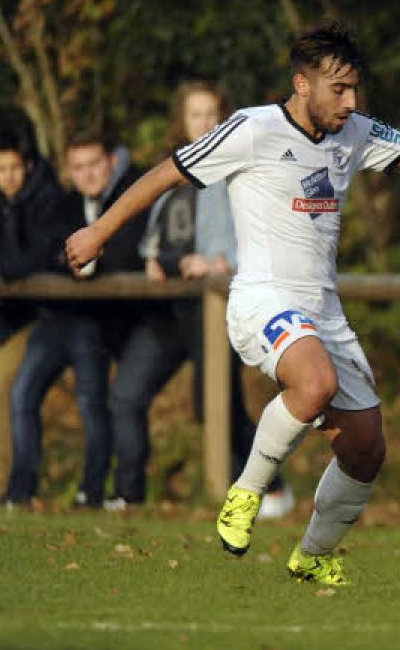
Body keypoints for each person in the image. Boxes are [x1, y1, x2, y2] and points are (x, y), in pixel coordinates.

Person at [66, 19, 400, 585]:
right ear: (302, 84)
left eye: (354, 89)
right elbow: (168, 172)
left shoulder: (353, 131)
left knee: (366, 449)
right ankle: (245, 493)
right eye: (338, 89)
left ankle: (313, 554)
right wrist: (99, 230)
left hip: (324, 310)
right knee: (314, 382)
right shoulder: (253, 128)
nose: (350, 101)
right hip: (262, 299)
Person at [126, 81, 291, 516]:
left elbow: (258, 238)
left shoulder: (238, 170)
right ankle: (252, 488)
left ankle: (265, 487)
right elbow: (156, 233)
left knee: (219, 403)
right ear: (181, 121)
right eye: (195, 114)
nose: (204, 122)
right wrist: (151, 259)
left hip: (222, 306)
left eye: (211, 113)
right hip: (177, 312)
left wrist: (220, 264)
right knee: (202, 403)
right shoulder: (174, 170)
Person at [7, 130, 144, 508]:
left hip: (97, 323)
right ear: (69, 171)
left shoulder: (126, 201)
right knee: (21, 395)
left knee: (92, 403)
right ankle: (20, 492)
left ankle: (91, 491)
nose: (87, 174)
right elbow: (46, 251)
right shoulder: (61, 205)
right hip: (56, 319)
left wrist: (90, 261)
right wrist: (70, 262)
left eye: (94, 165)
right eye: (78, 167)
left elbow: (126, 255)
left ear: (110, 163)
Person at [0, 126, 69, 506]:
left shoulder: (49, 198)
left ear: (27, 166)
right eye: (0, 169)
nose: (8, 177)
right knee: (8, 401)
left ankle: (3, 488)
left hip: (37, 316)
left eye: (15, 168)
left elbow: (37, 257)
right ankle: (18, 488)